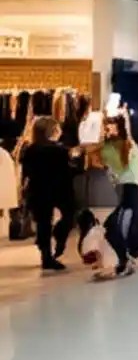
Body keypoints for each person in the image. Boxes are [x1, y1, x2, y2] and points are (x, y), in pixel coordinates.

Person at [91, 115, 138, 278]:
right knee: (115, 227)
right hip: (129, 190)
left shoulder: (123, 145)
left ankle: (126, 260)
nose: (107, 128)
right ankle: (126, 260)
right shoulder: (109, 147)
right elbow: (96, 160)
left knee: (119, 227)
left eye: (110, 125)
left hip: (133, 190)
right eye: (106, 126)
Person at [19, 116, 76, 272]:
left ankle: (46, 257)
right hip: (59, 190)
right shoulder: (60, 151)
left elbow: (27, 173)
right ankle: (59, 236)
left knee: (43, 223)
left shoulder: (29, 150)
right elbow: (68, 172)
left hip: (38, 191)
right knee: (68, 215)